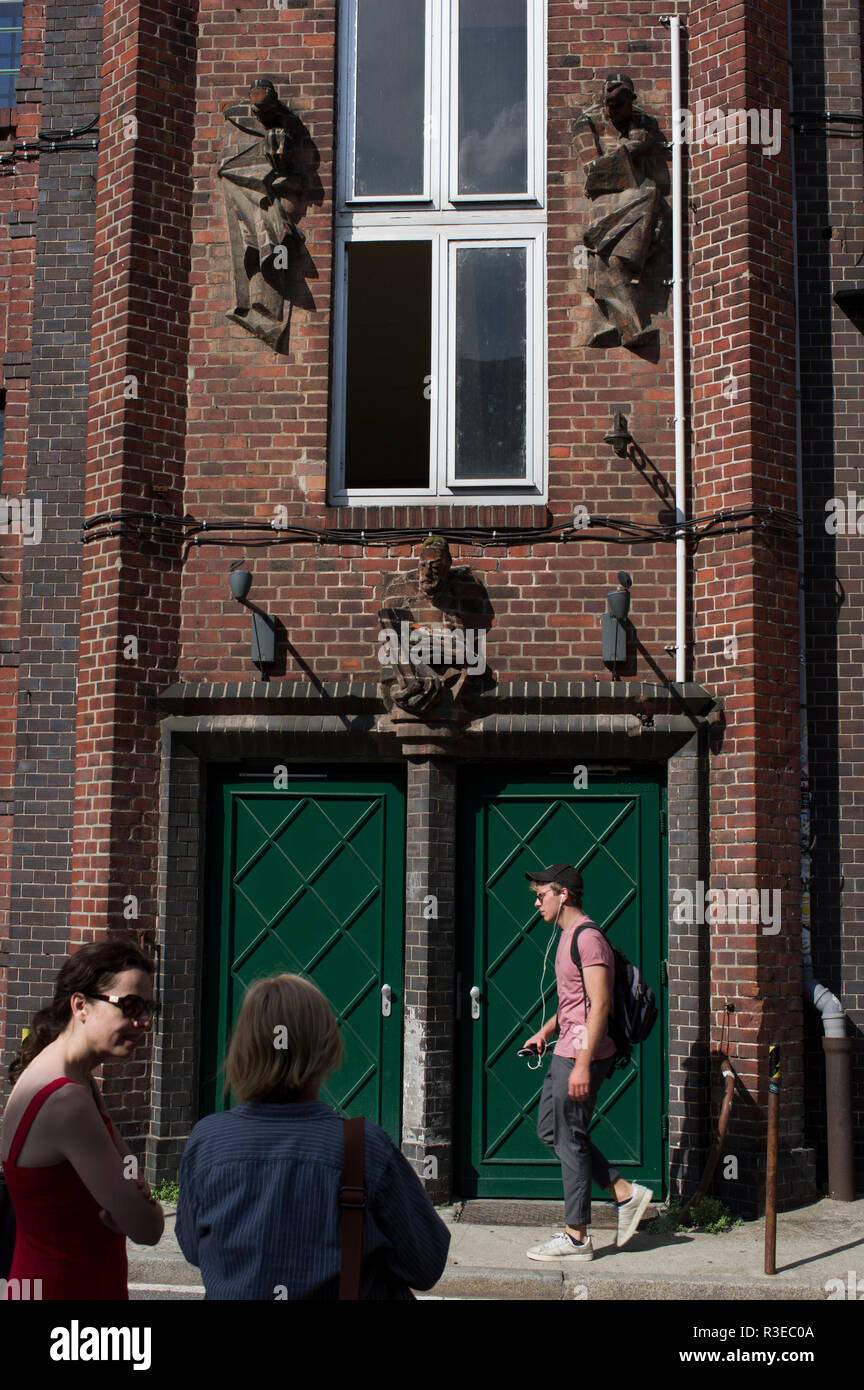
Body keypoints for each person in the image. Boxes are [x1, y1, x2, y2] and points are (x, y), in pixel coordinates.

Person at [175, 974, 450, 1299]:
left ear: (241, 1049)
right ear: (327, 1049)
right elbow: (425, 1264)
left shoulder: (208, 1142)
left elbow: (195, 1249)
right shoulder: (362, 1147)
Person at [1, 939, 165, 1299]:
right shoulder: (69, 1101)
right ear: (80, 1006)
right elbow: (148, 1228)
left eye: (149, 1008)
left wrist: (131, 1193)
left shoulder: (65, 1076)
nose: (144, 1021)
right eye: (130, 1005)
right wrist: (136, 1197)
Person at [521, 864, 653, 1261]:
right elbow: (572, 1003)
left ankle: (576, 1235)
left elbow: (600, 1005)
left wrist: (581, 1064)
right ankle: (623, 1193)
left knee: (570, 1136)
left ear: (564, 895)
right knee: (551, 1130)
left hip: (584, 1053)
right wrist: (545, 1032)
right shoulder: (566, 937)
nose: (536, 901)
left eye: (541, 893)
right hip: (566, 1049)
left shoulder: (588, 938)